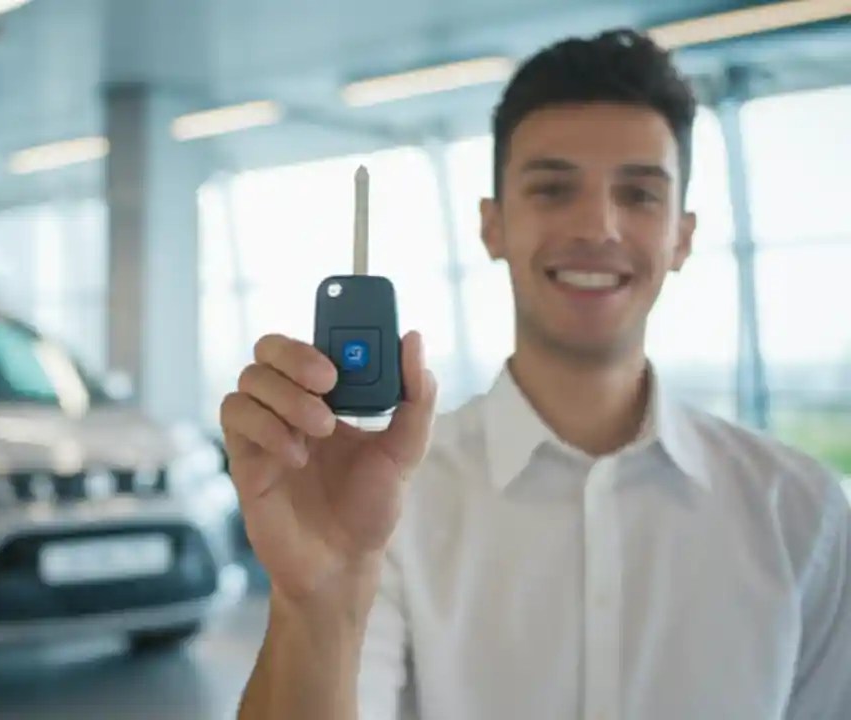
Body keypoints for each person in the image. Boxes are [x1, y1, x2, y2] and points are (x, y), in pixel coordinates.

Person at [222, 28, 851, 720]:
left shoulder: (800, 514)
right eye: (553, 189)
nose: (598, 226)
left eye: (639, 195)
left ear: (683, 234)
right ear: (493, 227)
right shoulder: (388, 505)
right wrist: (319, 598)